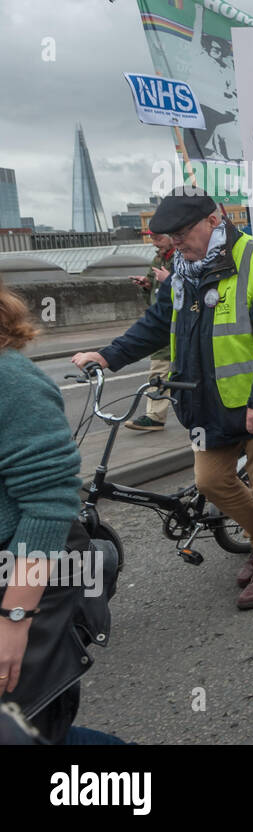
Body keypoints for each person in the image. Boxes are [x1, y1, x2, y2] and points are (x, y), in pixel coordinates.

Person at [72, 188, 253, 610]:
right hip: (201, 403)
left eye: (182, 235)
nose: (177, 245)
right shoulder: (181, 268)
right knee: (211, 482)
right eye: (171, 239)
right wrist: (108, 356)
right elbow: (157, 324)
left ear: (214, 221)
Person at [0, 279, 107, 741]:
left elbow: (48, 503)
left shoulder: (11, 381)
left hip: (18, 586)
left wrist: (15, 620)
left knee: (32, 731)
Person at [124, 230, 176, 432]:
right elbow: (155, 297)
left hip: (180, 323)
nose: (155, 243)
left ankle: (156, 416)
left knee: (179, 371)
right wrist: (146, 286)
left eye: (158, 238)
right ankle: (155, 415)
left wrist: (169, 280)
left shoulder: (183, 259)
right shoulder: (158, 260)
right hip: (162, 323)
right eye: (152, 238)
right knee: (160, 368)